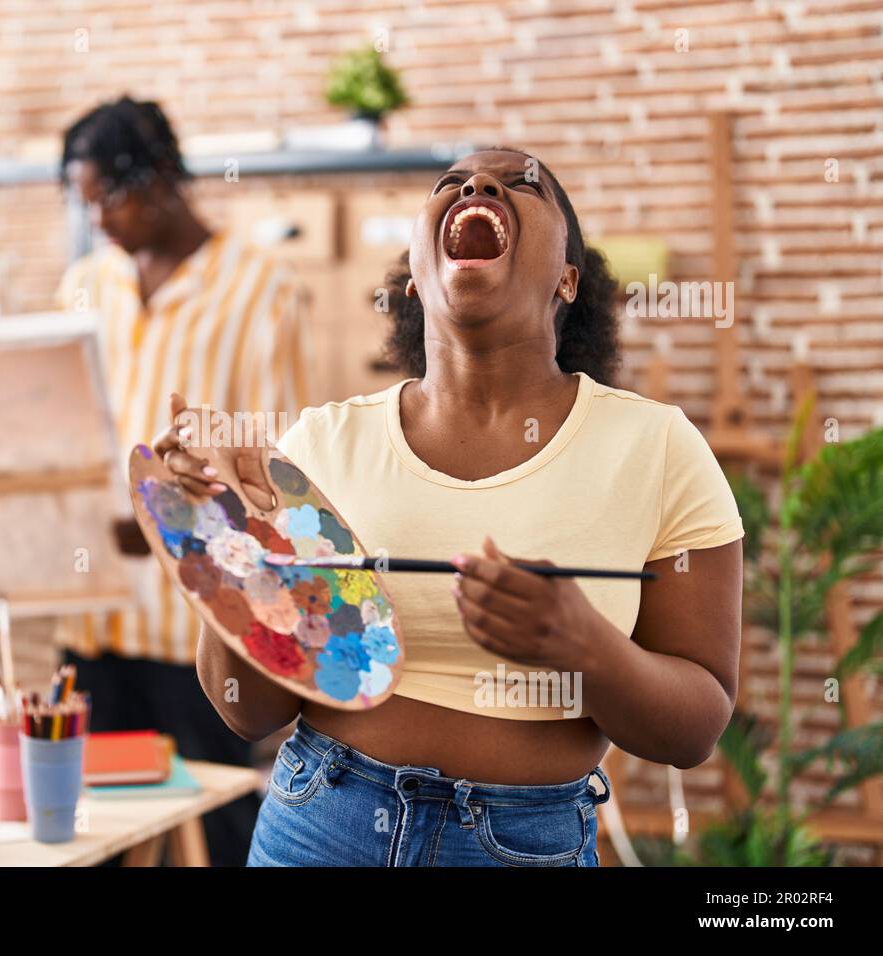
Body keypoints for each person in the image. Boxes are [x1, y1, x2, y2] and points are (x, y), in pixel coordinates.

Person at [152, 148, 745, 866]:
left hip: (526, 845)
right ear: (412, 281)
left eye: (525, 183)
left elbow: (694, 730)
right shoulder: (318, 444)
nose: (478, 185)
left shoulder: (657, 449)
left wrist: (583, 646)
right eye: (450, 183)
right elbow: (249, 710)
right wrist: (229, 542)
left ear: (567, 280)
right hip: (319, 826)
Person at [53, 96, 310, 865]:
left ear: (161, 178)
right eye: (85, 203)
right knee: (90, 831)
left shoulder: (260, 288)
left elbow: (280, 461)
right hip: (91, 618)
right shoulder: (83, 286)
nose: (99, 220)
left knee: (215, 826)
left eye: (110, 199)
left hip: (195, 623)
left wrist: (168, 513)